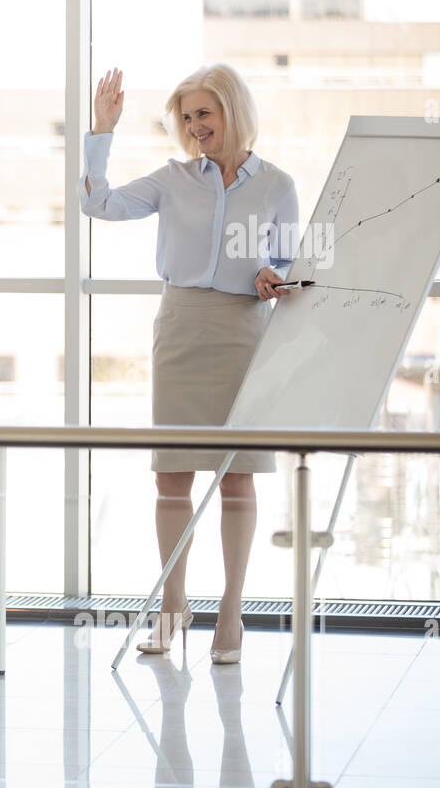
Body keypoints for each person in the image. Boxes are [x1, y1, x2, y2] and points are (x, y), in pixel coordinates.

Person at [79, 64, 299, 664]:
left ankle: (231, 610)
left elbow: (290, 261)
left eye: (205, 113)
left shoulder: (276, 185)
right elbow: (98, 203)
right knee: (171, 474)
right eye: (187, 116)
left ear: (233, 112)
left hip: (242, 331)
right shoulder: (173, 179)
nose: (195, 125)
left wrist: (271, 273)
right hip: (180, 329)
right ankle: (173, 606)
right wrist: (103, 129)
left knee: (237, 475)